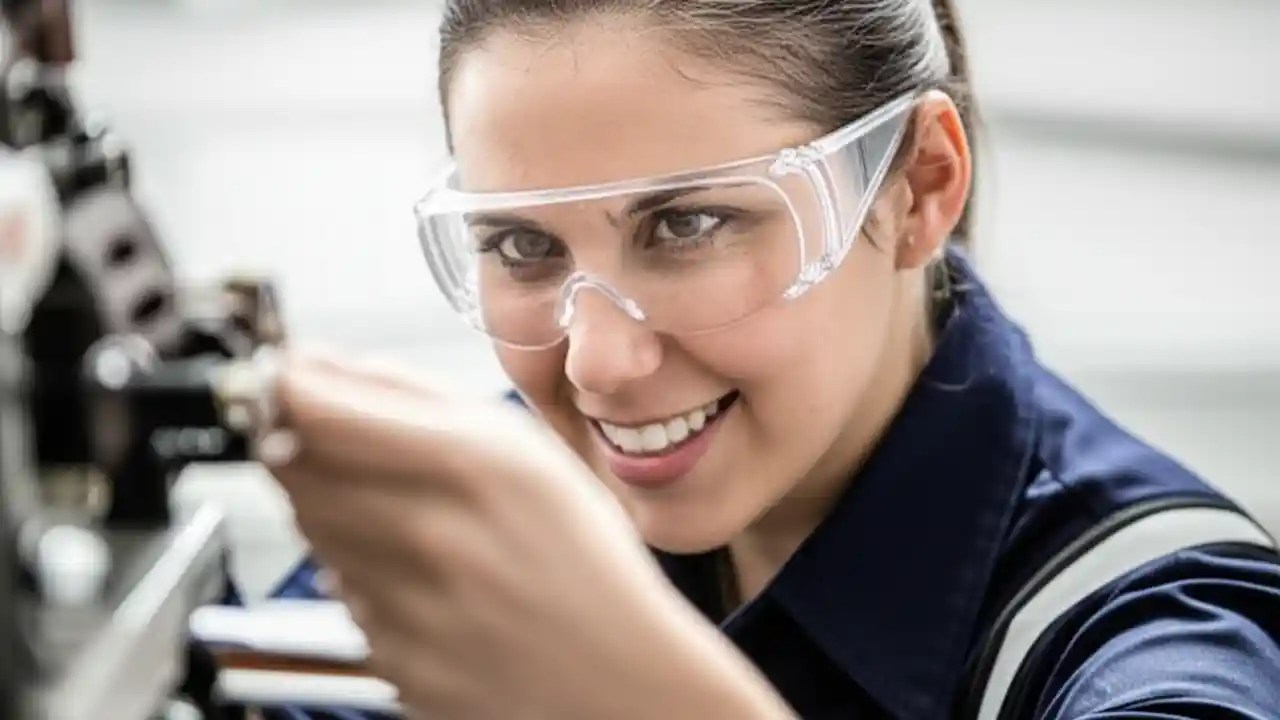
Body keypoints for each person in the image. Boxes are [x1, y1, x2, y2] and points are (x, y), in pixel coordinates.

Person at [243, 0, 1280, 718]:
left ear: (916, 187)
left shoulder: (1155, 634)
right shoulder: (529, 497)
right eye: (522, 245)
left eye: (688, 225)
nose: (597, 365)